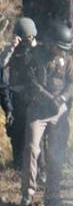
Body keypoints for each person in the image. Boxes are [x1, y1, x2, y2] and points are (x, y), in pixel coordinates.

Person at [22, 23, 73, 206]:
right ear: (51, 43)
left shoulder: (67, 59)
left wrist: (62, 98)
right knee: (32, 149)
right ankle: (28, 194)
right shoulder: (35, 56)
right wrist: (49, 99)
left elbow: (72, 82)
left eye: (65, 49)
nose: (62, 52)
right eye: (60, 48)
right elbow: (32, 82)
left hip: (58, 109)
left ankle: (53, 193)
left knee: (57, 151)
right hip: (38, 109)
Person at [1, 18, 38, 171]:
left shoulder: (37, 50)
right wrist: (11, 48)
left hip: (33, 97)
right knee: (16, 132)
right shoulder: (11, 51)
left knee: (35, 135)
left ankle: (37, 166)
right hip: (16, 97)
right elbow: (1, 65)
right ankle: (18, 166)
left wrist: (34, 48)